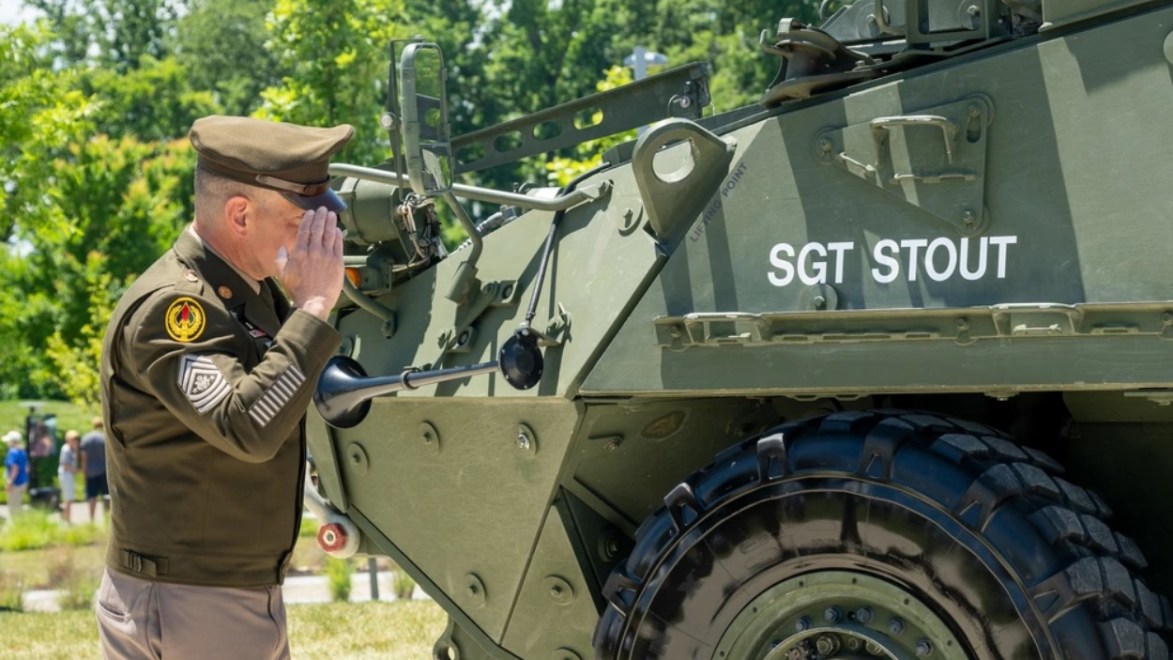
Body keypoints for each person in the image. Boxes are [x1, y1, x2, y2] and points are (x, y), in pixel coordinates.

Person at [97, 115, 351, 659]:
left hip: (219, 596)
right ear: (240, 214)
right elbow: (247, 427)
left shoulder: (247, 296)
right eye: (304, 223)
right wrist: (312, 309)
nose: (320, 241)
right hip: (192, 600)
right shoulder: (175, 309)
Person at [79, 417, 108, 521]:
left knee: (92, 496)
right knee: (106, 495)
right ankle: (107, 518)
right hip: (104, 471)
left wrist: (84, 471)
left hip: (90, 472)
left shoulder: (86, 438)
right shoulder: (105, 438)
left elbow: (84, 458)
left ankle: (92, 518)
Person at [3, 430, 29, 522]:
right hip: (23, 482)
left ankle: (17, 527)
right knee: (18, 505)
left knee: (13, 508)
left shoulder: (12, 452)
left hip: (15, 483)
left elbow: (15, 468)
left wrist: (9, 482)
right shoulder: (22, 452)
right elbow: (27, 468)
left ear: (12, 441)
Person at [58, 430, 80, 523]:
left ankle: (66, 517)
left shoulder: (72, 449)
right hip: (66, 475)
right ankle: (67, 519)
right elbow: (65, 464)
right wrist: (75, 470)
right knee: (68, 498)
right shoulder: (66, 449)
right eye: (73, 440)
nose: (76, 441)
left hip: (69, 475)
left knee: (69, 498)